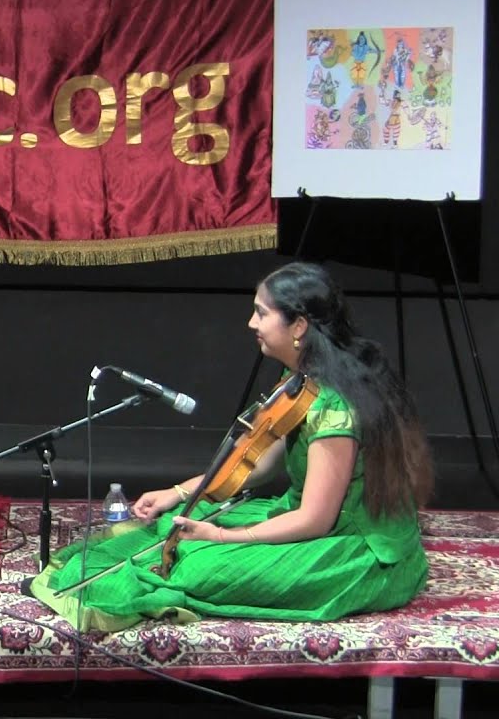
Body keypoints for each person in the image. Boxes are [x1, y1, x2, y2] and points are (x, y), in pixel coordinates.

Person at [26, 261, 433, 630]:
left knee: (197, 565)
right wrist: (178, 492)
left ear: (299, 326)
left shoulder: (333, 408)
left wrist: (220, 538)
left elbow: (315, 520)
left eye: (261, 312)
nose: (251, 322)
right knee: (177, 526)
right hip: (315, 523)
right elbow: (254, 465)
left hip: (352, 550)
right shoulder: (301, 382)